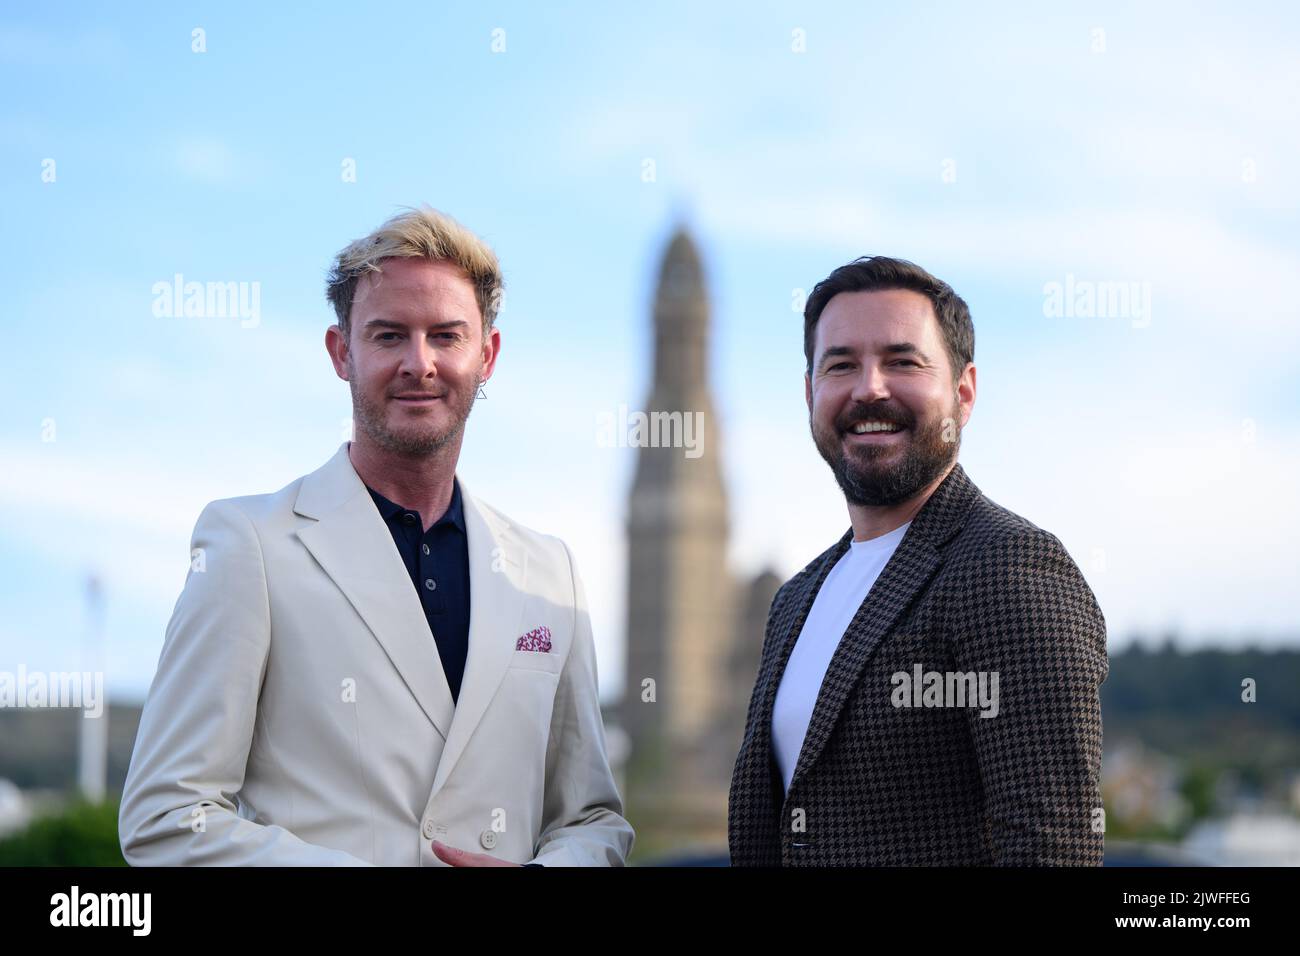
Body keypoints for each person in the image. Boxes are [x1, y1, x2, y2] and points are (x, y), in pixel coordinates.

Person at [119, 206, 633, 866]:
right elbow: (166, 815)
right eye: (389, 336)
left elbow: (592, 819)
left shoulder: (549, 571)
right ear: (343, 353)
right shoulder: (248, 543)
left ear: (487, 355)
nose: (420, 363)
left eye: (446, 336)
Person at [729, 256, 1107, 865]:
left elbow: (1050, 848)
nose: (869, 388)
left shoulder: (1008, 566)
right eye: (841, 365)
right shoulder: (796, 598)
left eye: (902, 361)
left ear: (963, 392)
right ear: (810, 393)